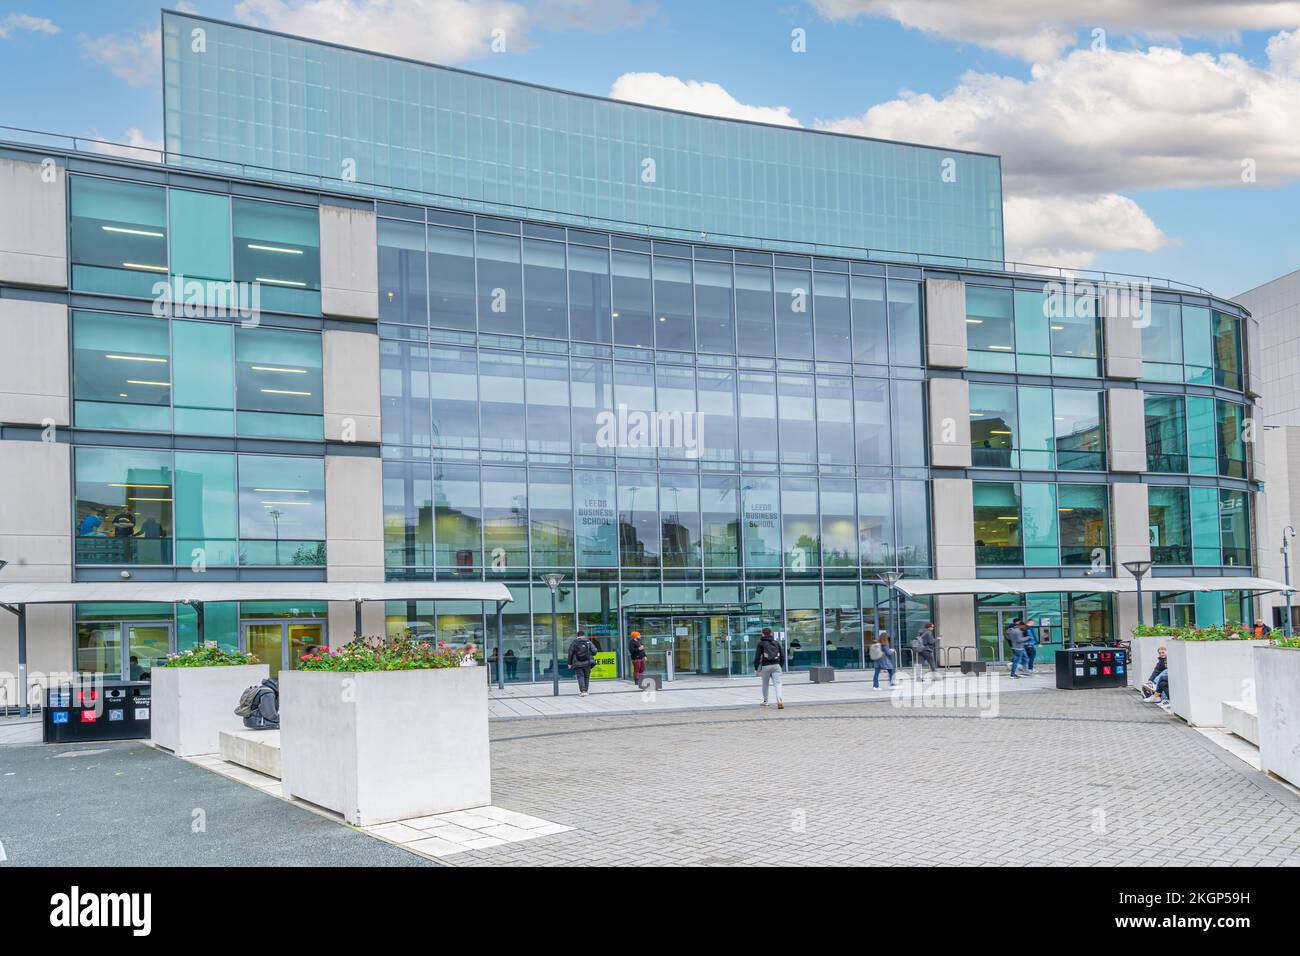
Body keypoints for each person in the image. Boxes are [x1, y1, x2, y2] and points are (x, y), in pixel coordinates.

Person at [753, 627, 785, 709]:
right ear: (771, 633)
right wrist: (780, 666)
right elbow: (782, 656)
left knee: (765, 684)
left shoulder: (760, 643)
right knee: (777, 683)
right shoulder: (776, 642)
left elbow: (757, 657)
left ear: (762, 633)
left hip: (766, 666)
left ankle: (766, 701)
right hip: (776, 665)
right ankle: (779, 700)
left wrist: (756, 668)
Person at [567, 630, 598, 696]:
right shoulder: (588, 642)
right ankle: (586, 691)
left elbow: (570, 653)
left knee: (580, 677)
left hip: (578, 663)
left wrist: (569, 663)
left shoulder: (574, 642)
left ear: (577, 636)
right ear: (584, 635)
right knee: (587, 676)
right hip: (587, 662)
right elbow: (595, 651)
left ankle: (583, 691)